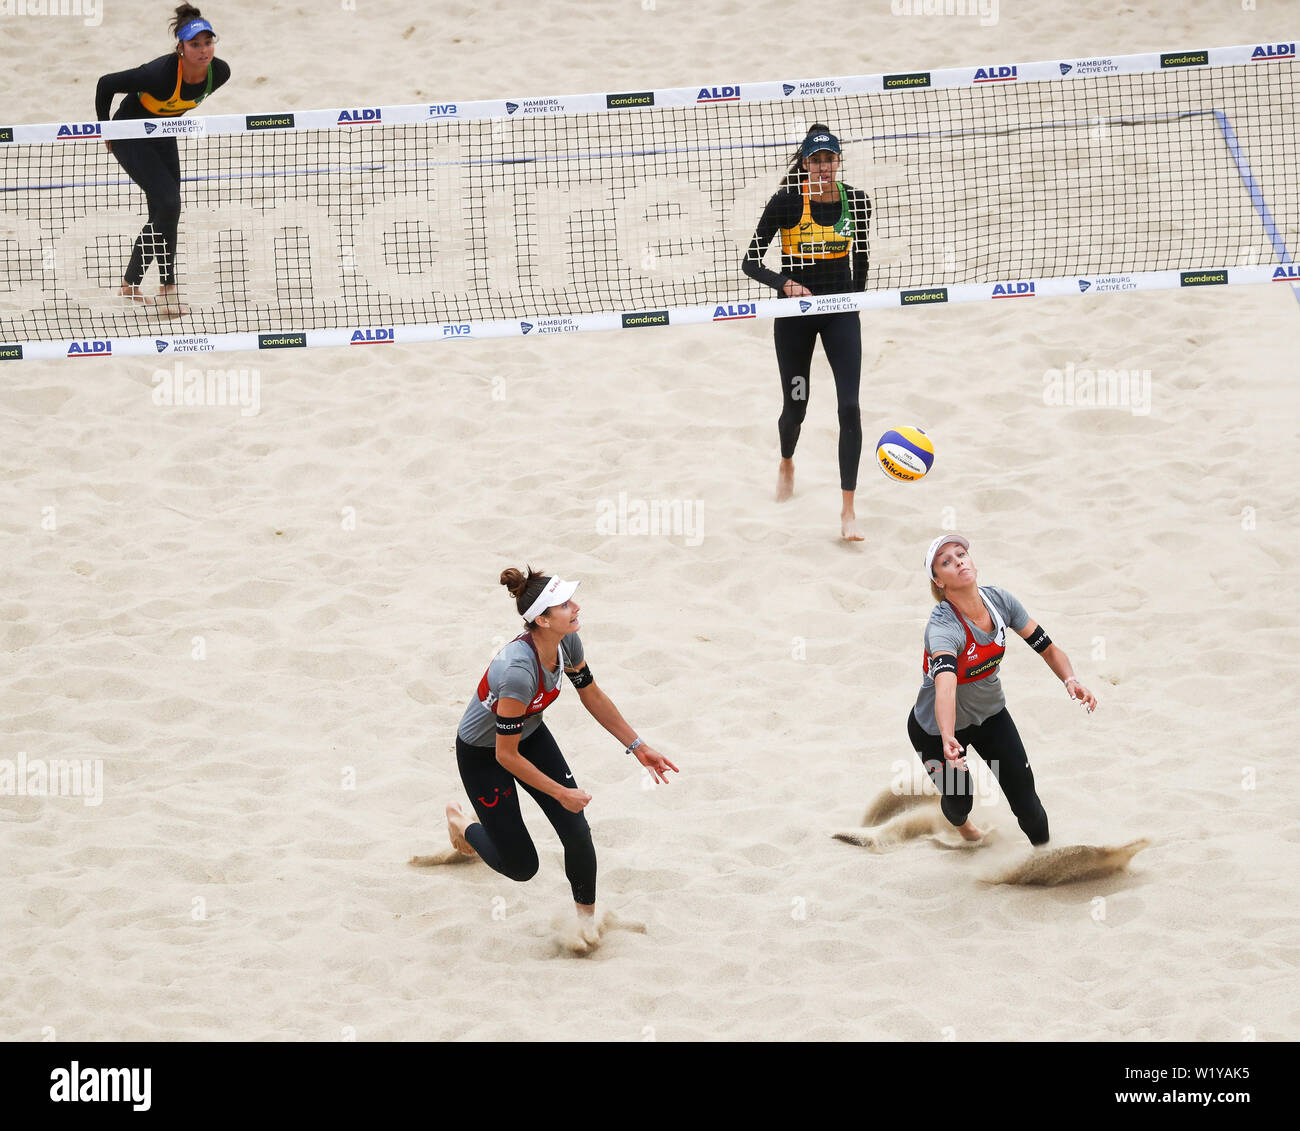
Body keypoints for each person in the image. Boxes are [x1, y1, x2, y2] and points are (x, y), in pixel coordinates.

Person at [446, 567, 679, 931]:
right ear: (541, 618)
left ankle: (586, 923)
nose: (576, 608)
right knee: (522, 866)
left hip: (531, 733)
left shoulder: (566, 642)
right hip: (483, 754)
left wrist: (638, 746)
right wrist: (561, 792)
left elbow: (592, 694)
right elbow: (505, 756)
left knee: (577, 831)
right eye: (565, 605)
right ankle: (463, 826)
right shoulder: (517, 672)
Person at [908, 534, 1098, 845]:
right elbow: (945, 687)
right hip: (936, 730)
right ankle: (961, 825)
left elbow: (1048, 649)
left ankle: (1045, 857)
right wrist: (947, 738)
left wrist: (1071, 680)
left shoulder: (999, 601)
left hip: (991, 716)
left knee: (1026, 800)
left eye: (961, 554)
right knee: (959, 802)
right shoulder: (943, 626)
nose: (958, 561)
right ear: (939, 582)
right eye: (946, 562)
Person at [741, 125, 872, 541]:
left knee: (849, 407)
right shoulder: (785, 203)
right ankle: (786, 461)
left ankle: (848, 510)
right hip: (795, 316)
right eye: (814, 160)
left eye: (828, 159)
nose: (822, 167)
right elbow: (750, 261)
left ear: (837, 161)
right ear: (805, 163)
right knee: (796, 405)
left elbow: (862, 262)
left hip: (839, 314)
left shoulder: (858, 202)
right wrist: (784, 284)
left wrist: (851, 303)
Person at [95, 5, 230, 317]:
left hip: (162, 130)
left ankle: (143, 286)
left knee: (167, 207)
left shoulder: (219, 73)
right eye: (195, 44)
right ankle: (156, 287)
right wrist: (106, 129)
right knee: (168, 204)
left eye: (208, 43)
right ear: (180, 47)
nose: (203, 50)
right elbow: (106, 83)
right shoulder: (161, 74)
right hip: (129, 131)